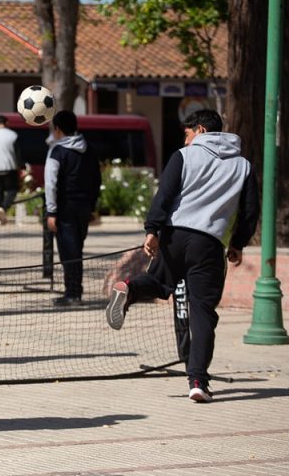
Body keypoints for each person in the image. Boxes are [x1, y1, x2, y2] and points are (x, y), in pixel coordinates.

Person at [105, 109, 259, 403]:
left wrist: (152, 230)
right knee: (202, 311)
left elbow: (164, 195)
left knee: (160, 282)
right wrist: (238, 243)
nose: (185, 140)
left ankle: (129, 289)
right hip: (209, 244)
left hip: (175, 235)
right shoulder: (244, 166)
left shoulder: (183, 156)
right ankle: (198, 381)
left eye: (187, 134)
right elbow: (250, 211)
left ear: (201, 130)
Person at [44, 110, 102, 307]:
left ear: (57, 129)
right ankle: (75, 290)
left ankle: (72, 293)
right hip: (84, 207)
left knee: (69, 251)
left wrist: (51, 211)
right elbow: (96, 179)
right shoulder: (88, 149)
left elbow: (50, 183)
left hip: (64, 208)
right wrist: (92, 206)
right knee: (77, 249)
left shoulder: (57, 151)